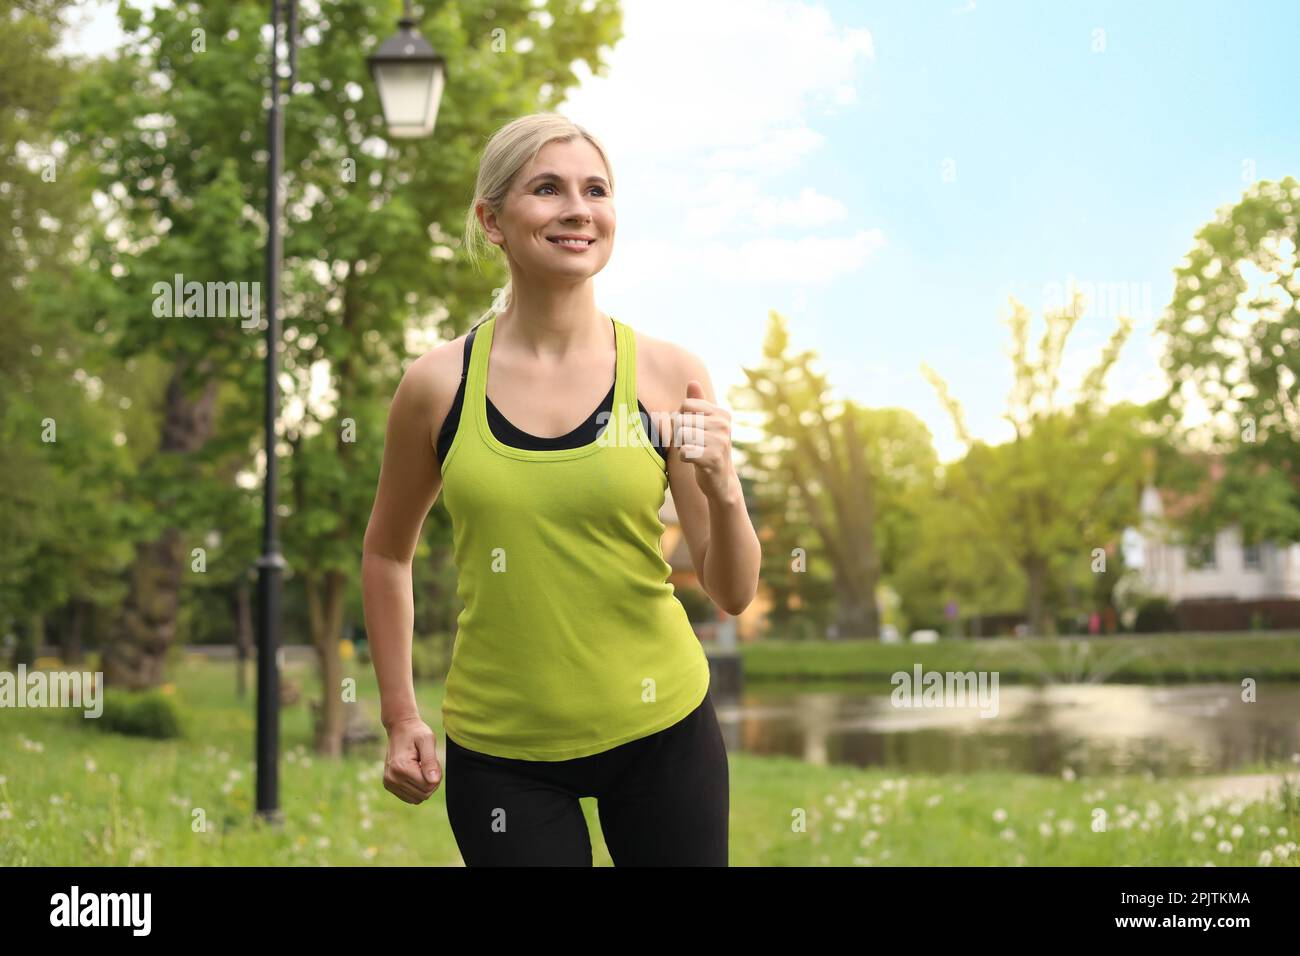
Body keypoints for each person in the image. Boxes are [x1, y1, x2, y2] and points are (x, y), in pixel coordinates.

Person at [360, 112, 762, 866]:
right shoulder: (436, 385)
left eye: (596, 190)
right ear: (493, 220)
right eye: (548, 189)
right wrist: (399, 714)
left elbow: (732, 591)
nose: (579, 209)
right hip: (502, 750)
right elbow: (386, 554)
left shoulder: (670, 375)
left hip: (662, 732)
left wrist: (725, 487)